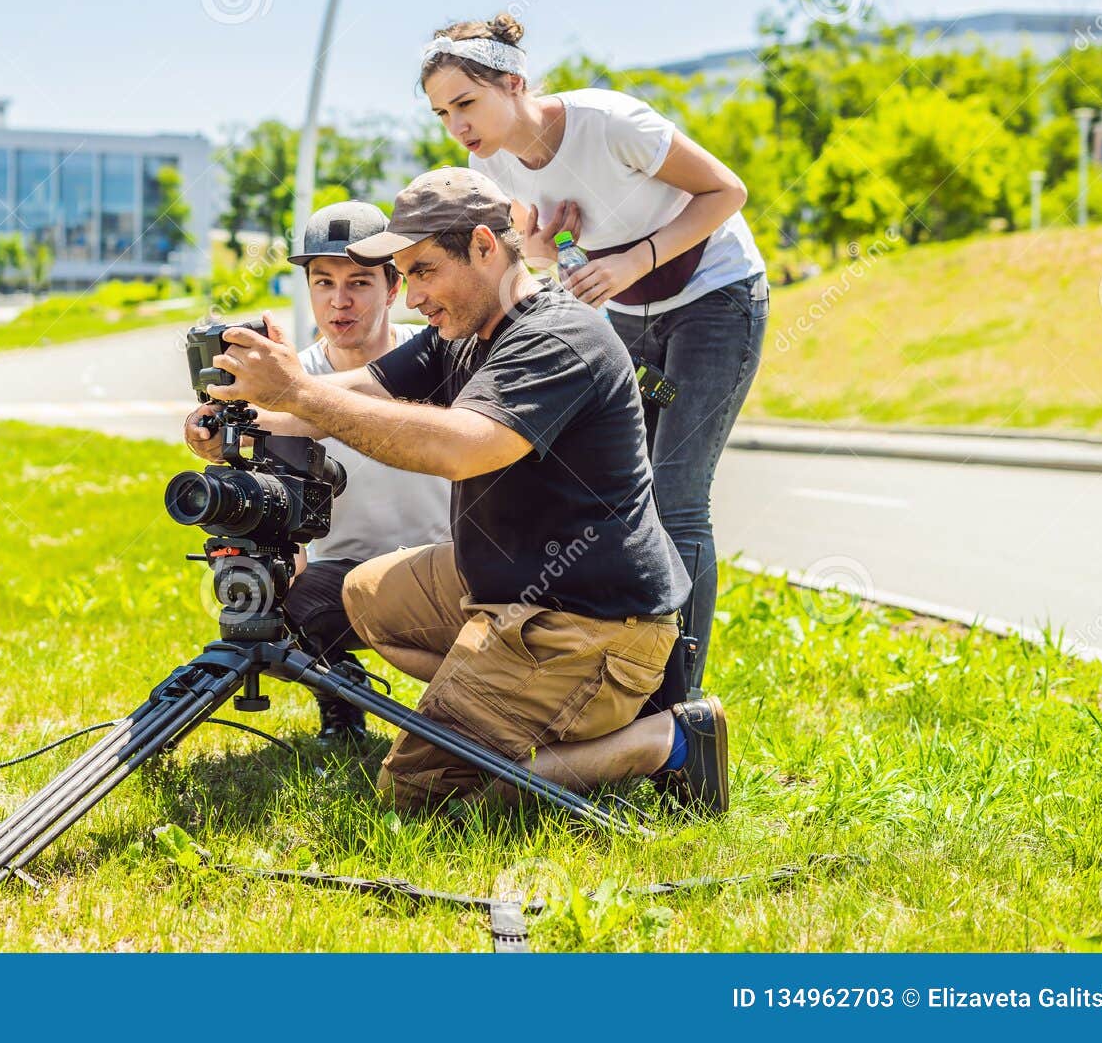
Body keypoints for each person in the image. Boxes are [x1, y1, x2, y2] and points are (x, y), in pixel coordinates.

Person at [184, 168, 729, 816]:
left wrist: (299, 391)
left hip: (586, 621)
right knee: (360, 594)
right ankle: (490, 702)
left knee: (423, 795)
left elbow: (462, 447)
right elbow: (353, 396)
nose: (411, 297)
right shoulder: (462, 332)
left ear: (482, 245)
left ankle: (662, 739)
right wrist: (247, 413)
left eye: (422, 271)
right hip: (503, 585)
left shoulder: (557, 336)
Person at [419, 14, 770, 697]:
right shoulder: (486, 167)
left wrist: (631, 260)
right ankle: (624, 683)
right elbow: (534, 254)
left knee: (676, 497)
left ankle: (681, 705)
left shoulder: (611, 123)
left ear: (514, 82)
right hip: (630, 315)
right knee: (619, 500)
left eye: (466, 102)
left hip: (717, 298)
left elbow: (727, 191)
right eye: (440, 113)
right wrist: (550, 250)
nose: (456, 125)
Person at [283, 201, 450, 745]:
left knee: (463, 721)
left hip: (447, 568)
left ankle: (464, 702)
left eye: (359, 282)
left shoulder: (437, 357)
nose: (340, 300)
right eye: (323, 282)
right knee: (269, 597)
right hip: (348, 580)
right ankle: (340, 692)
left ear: (393, 288)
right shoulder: (294, 381)